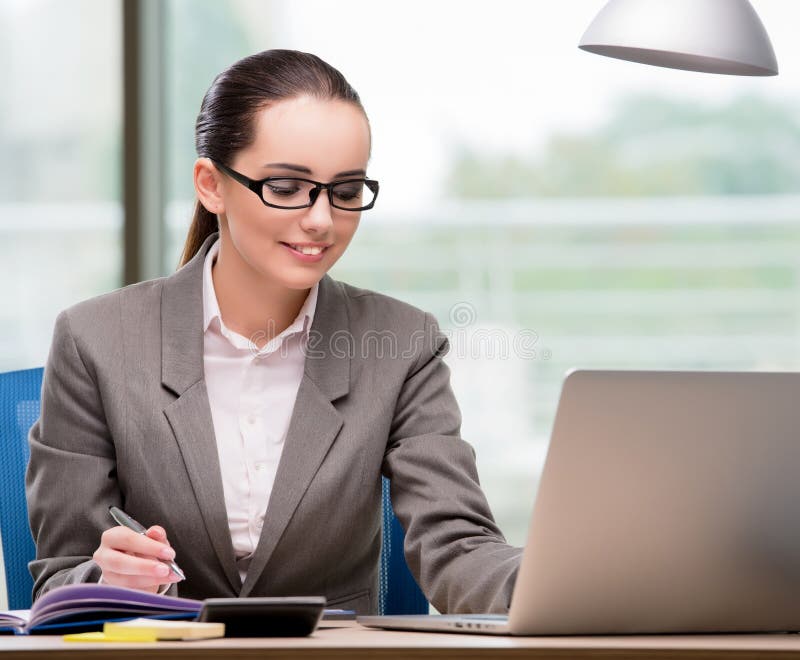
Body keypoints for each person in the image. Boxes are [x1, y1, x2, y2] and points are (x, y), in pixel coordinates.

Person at [25, 49, 522, 614]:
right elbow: (59, 579)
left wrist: (555, 581)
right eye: (287, 187)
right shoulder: (95, 340)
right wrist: (111, 576)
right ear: (211, 185)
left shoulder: (403, 343)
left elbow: (458, 547)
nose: (321, 219)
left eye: (347, 190)